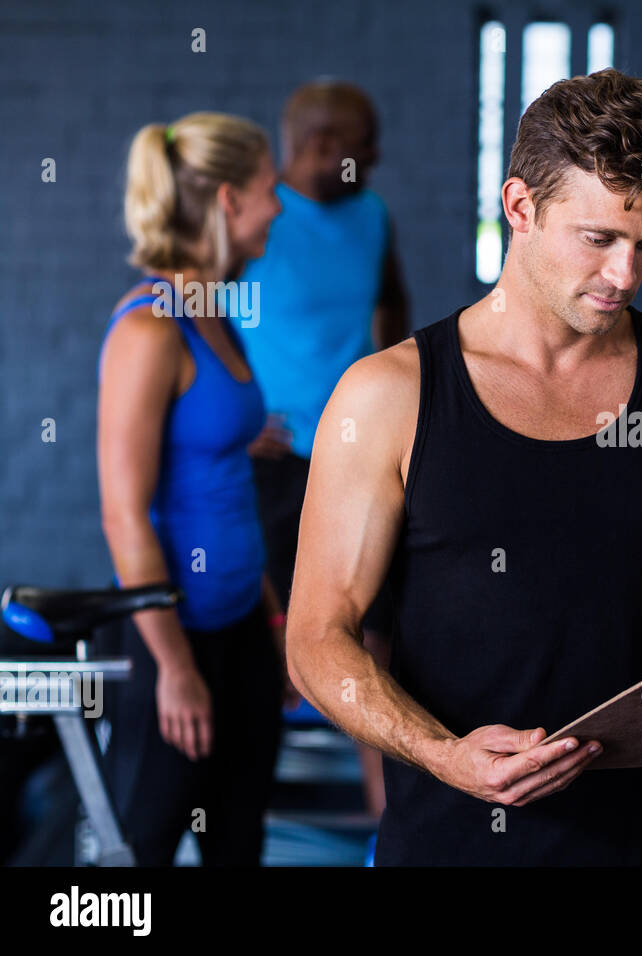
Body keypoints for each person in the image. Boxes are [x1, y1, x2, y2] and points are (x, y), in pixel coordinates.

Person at [285, 69, 642, 866]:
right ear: (521, 207)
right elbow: (316, 637)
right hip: (451, 845)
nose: (625, 274)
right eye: (599, 239)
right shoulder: (386, 396)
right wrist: (443, 754)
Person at [96, 112, 293, 865]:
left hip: (242, 622)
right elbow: (125, 513)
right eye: (268, 189)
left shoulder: (214, 314)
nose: (277, 206)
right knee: (141, 855)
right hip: (171, 642)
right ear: (225, 201)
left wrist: (272, 617)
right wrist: (174, 670)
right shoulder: (149, 331)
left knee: (237, 843)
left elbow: (222, 468)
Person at [234, 80, 408, 818]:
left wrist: (397, 383)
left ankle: (387, 826)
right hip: (273, 468)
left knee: (380, 647)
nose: (376, 156)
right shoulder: (256, 217)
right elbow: (187, 314)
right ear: (322, 148)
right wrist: (237, 415)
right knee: (279, 654)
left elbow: (393, 301)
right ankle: (238, 826)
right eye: (364, 142)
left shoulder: (372, 213)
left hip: (357, 461)